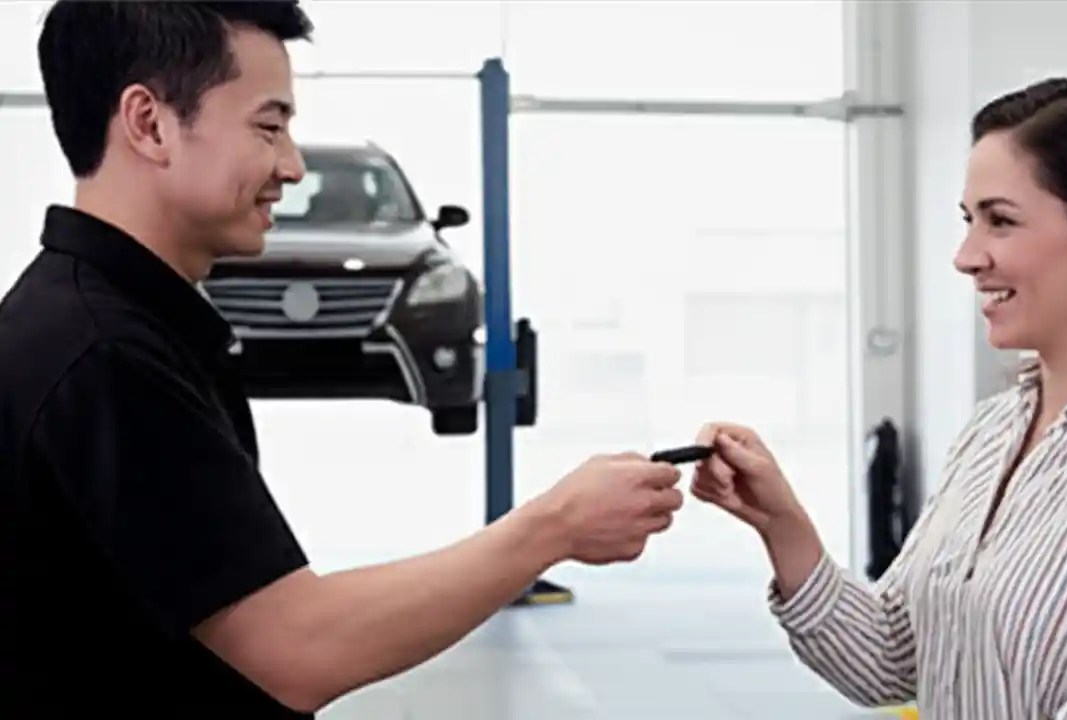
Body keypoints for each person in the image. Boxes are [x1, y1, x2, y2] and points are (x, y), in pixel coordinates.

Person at [0, 2, 683, 717]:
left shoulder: (100, 322)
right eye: (269, 127)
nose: (290, 166)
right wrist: (554, 526)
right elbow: (297, 647)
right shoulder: (107, 356)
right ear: (149, 123)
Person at [692, 78, 1067, 719]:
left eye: (1001, 220)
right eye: (970, 221)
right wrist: (781, 521)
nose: (967, 257)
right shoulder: (994, 429)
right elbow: (889, 662)